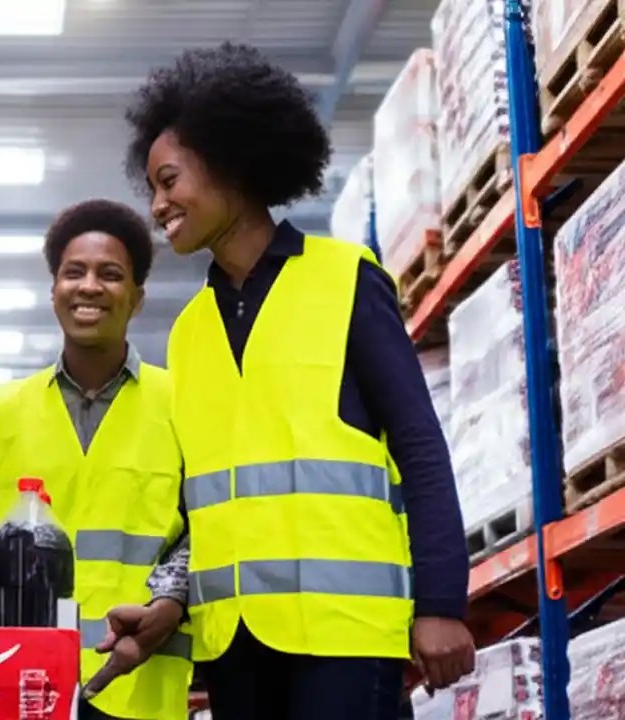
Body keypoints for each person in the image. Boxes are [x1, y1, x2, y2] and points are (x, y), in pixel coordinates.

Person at [82, 44, 476, 720]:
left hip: (344, 640)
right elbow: (208, 506)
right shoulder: (190, 330)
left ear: (231, 159)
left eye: (170, 179)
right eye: (151, 188)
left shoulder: (346, 279)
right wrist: (167, 605)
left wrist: (441, 603)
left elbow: (419, 447)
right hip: (234, 649)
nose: (157, 205)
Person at [0, 199, 192, 720]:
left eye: (110, 275)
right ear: (53, 293)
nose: (90, 286)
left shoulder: (180, 402)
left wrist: (170, 602)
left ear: (136, 299)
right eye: (74, 273)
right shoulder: (8, 408)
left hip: (140, 680)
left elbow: (208, 528)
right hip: (19, 680)